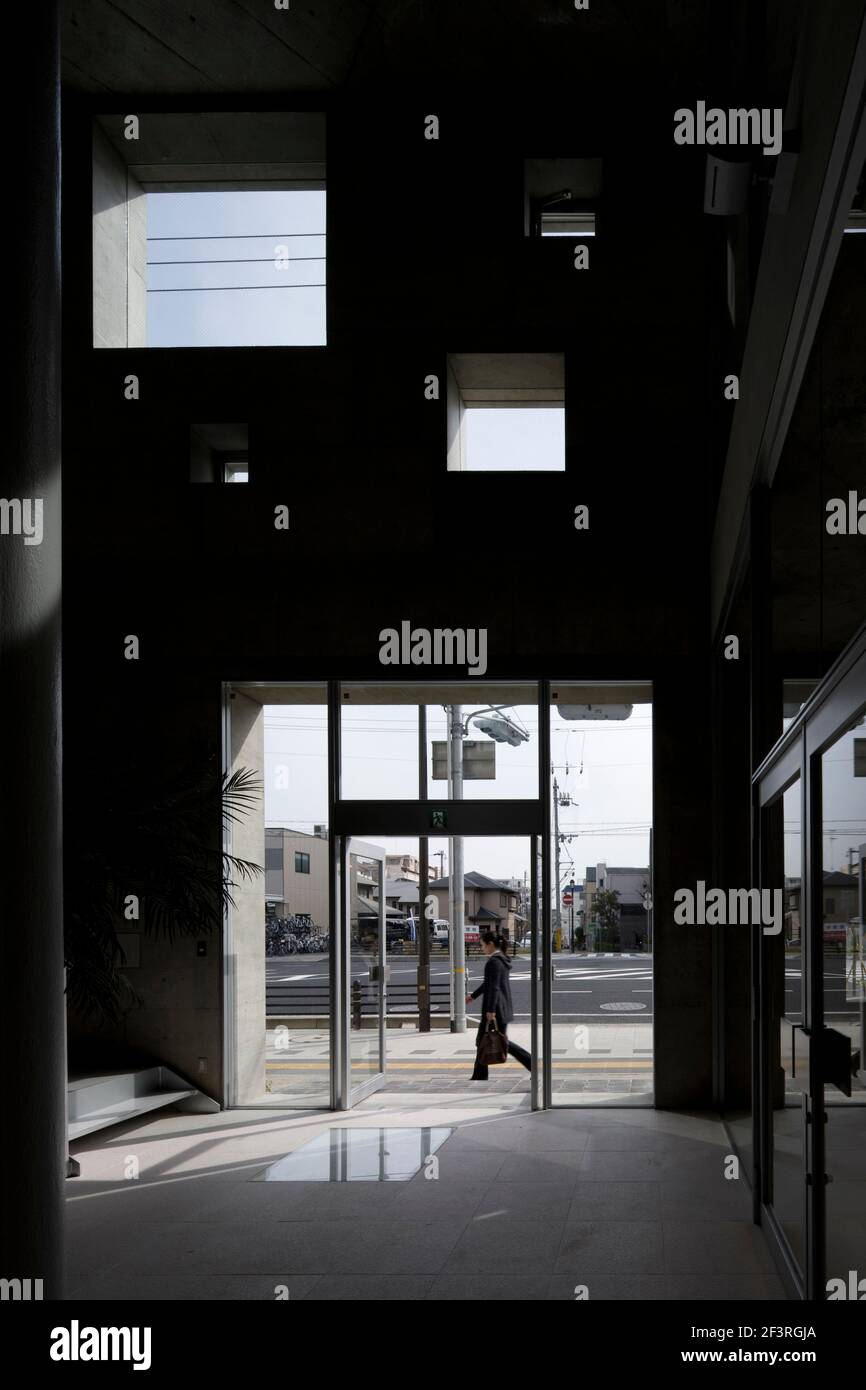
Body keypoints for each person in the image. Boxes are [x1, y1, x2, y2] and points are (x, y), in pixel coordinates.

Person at [466, 930, 532, 1080]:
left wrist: (490, 1010)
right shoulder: (501, 959)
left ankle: (530, 1061)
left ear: (490, 944)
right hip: (501, 1008)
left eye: (483, 945)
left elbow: (494, 987)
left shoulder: (494, 962)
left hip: (495, 1010)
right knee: (486, 1041)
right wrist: (473, 996)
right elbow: (488, 983)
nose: (482, 949)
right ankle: (479, 1075)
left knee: (498, 1042)